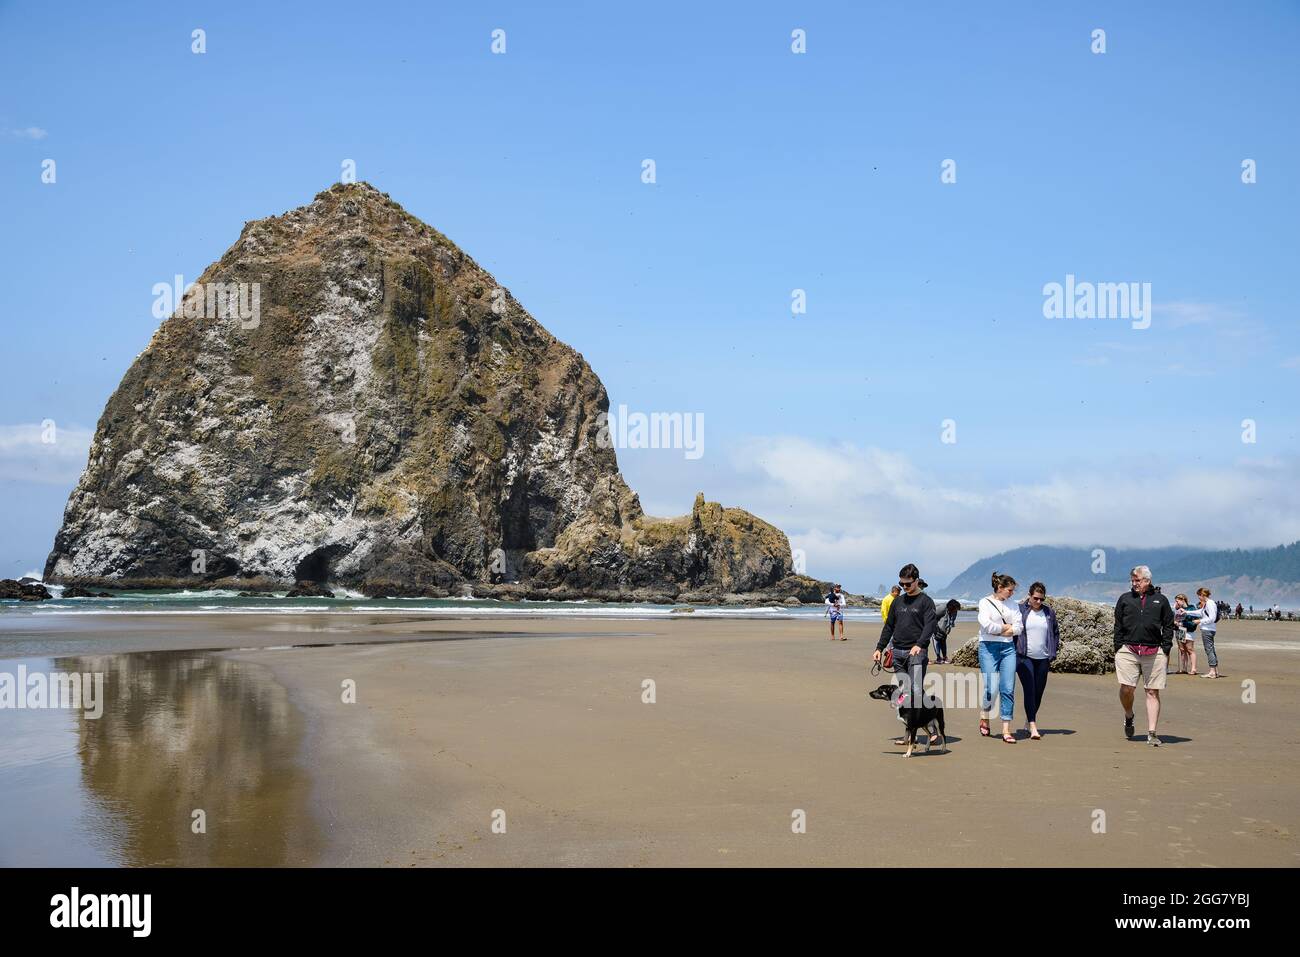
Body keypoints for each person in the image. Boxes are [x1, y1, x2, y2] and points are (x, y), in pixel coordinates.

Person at [872, 564, 938, 746]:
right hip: (898, 653)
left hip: (916, 652)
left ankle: (931, 726)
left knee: (916, 691)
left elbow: (929, 626)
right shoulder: (898, 602)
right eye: (902, 584)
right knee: (905, 692)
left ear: (916, 581)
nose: (905, 588)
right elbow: (889, 627)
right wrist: (880, 648)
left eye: (908, 584)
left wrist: (920, 644)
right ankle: (910, 735)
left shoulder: (926, 602)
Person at [1114, 565, 1175, 747]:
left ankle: (1152, 733)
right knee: (1127, 689)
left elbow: (1169, 625)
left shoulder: (1160, 600)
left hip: (1154, 651)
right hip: (1128, 650)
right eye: (1132, 580)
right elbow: (1118, 624)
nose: (1134, 584)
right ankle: (1129, 715)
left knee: (1152, 691)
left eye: (1137, 580)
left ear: (1147, 581)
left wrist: (1165, 648)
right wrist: (1118, 646)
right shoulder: (1124, 599)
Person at [977, 572, 1024, 743]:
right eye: (1010, 590)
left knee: (1008, 687)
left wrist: (1003, 629)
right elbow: (987, 626)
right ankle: (985, 716)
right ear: (1000, 588)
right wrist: (1006, 627)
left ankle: (1006, 729)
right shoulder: (984, 602)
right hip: (988, 648)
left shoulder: (1014, 605)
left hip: (1008, 648)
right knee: (992, 687)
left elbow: (1019, 627)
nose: (1012, 593)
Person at [1015, 583, 1059, 739]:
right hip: (1024, 657)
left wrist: (1053, 651)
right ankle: (1033, 725)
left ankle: (1028, 720)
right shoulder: (1020, 610)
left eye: (1041, 599)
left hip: (1043, 659)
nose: (1038, 602)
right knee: (1030, 689)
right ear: (1029, 595)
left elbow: (1055, 632)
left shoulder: (1049, 612)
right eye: (1035, 598)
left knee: (1038, 693)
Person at [1185, 587, 1221, 679]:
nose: (1199, 598)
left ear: (1203, 595)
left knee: (1209, 649)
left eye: (1199, 596)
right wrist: (1186, 612)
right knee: (1211, 649)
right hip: (1208, 629)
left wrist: (1200, 621)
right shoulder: (1207, 604)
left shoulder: (1210, 603)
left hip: (1208, 629)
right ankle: (1215, 671)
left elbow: (1212, 618)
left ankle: (1212, 671)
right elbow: (1200, 612)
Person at [1172, 593, 1198, 675]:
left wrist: (1185, 623)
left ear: (1182, 600)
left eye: (1177, 601)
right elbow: (1176, 619)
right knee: (1182, 650)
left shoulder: (1191, 608)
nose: (1176, 603)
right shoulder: (1178, 610)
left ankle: (1193, 668)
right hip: (1180, 630)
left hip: (1189, 631)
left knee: (1190, 649)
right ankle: (1184, 668)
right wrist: (1176, 622)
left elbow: (1194, 621)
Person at [933, 599, 961, 664]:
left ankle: (945, 657)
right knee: (937, 641)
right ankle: (938, 658)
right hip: (936, 628)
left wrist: (948, 629)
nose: (956, 611)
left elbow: (951, 621)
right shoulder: (942, 608)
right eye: (955, 609)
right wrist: (935, 629)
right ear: (950, 607)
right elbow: (932, 617)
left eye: (957, 610)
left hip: (945, 630)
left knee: (943, 642)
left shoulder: (954, 611)